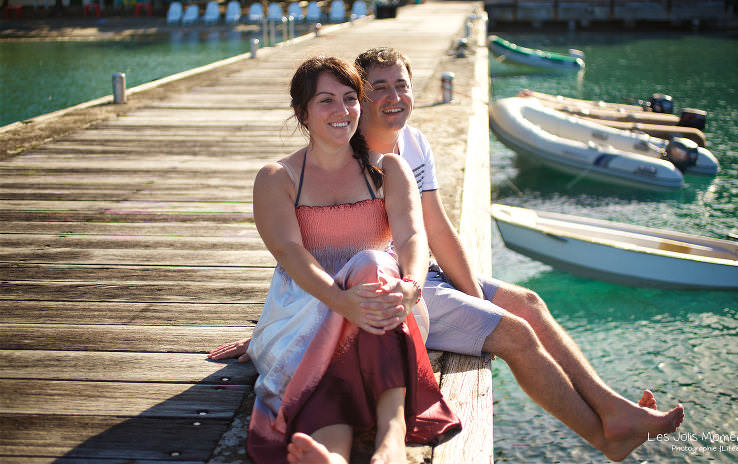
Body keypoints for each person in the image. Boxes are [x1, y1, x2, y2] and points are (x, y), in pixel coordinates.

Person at [210, 49, 684, 461]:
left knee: (526, 304)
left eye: (401, 86)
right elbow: (294, 255)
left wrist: (448, 292)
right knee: (509, 330)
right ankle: (608, 432)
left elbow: (428, 229)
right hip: (349, 291)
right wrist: (278, 327)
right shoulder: (301, 169)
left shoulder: (405, 150)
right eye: (377, 89)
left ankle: (612, 413)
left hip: (400, 282)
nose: (390, 98)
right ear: (311, 110)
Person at [238, 56, 460, 463]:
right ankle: (340, 453)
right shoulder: (277, 178)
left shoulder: (390, 169)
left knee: (373, 265)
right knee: (358, 299)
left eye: (349, 98)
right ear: (302, 112)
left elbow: (412, 235)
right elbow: (289, 252)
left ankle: (383, 444)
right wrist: (340, 302)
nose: (342, 111)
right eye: (326, 101)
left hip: (389, 304)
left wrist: (410, 287)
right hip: (304, 307)